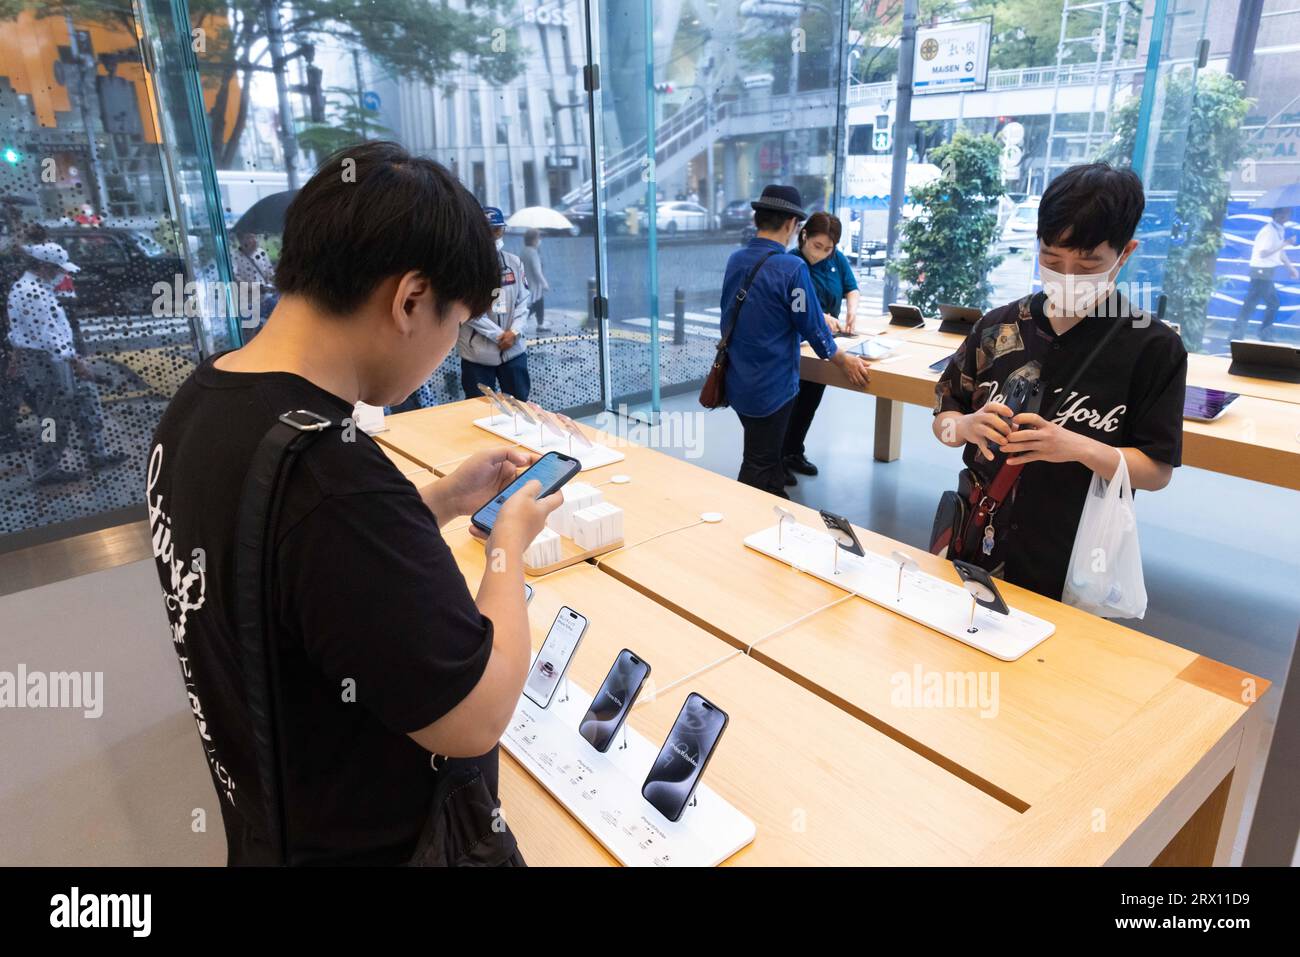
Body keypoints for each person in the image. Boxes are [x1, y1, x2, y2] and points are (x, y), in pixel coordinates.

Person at [146, 141, 563, 864]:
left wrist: (437, 500)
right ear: (408, 300)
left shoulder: (205, 399)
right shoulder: (333, 474)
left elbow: (288, 563)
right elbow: (476, 714)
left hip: (268, 819)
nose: (445, 349)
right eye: (452, 323)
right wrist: (508, 544)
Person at [932, 162, 1187, 600]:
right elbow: (945, 416)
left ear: (1125, 254)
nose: (1067, 277)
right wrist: (966, 427)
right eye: (1051, 259)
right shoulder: (998, 327)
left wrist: (1077, 448)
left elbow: (1157, 471)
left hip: (1073, 552)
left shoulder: (1152, 347)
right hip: (977, 537)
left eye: (1088, 264)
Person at [720, 185, 870, 497]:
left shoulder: (736, 260)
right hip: (772, 387)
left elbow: (728, 317)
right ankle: (743, 522)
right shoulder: (792, 268)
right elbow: (813, 326)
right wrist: (844, 360)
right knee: (758, 464)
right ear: (792, 224)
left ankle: (775, 500)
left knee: (767, 458)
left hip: (738, 379)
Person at [6, 242, 125, 483]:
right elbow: (50, 336)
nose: (63, 274)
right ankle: (45, 468)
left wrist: (16, 359)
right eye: (59, 269)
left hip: (56, 358)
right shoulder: (31, 291)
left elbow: (24, 330)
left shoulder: (35, 287)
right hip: (49, 363)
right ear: (43, 265)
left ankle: (96, 453)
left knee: (86, 398)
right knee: (52, 416)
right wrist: (77, 364)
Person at [782, 212, 859, 484]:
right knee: (791, 403)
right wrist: (821, 317)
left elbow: (851, 287)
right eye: (817, 247)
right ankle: (779, 458)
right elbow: (799, 308)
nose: (823, 254)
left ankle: (793, 452)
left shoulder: (835, 258)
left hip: (826, 343)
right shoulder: (792, 263)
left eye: (828, 249)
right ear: (803, 235)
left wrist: (851, 311)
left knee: (809, 404)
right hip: (800, 344)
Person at [457, 206, 531, 400]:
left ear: (503, 230)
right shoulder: (465, 267)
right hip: (477, 356)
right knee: (477, 409)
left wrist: (514, 332)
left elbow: (523, 301)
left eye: (496, 230)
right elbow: (467, 309)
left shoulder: (514, 263)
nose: (492, 236)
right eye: (486, 231)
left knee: (519, 405)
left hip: (513, 352)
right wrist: (499, 336)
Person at [1231, 206, 1296, 342]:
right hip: (1261, 271)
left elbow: (1279, 252)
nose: (1289, 216)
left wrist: (1291, 268)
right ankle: (1263, 334)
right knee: (1272, 303)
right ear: (1279, 214)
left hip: (1265, 271)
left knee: (1250, 304)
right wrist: (1285, 243)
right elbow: (1264, 252)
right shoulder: (1269, 231)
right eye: (1287, 213)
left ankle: (1236, 335)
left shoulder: (1278, 230)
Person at [231, 231, 279, 330]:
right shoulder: (234, 256)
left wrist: (272, 284)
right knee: (254, 331)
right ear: (241, 240)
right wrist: (256, 288)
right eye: (249, 237)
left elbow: (269, 273)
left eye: (255, 237)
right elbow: (235, 278)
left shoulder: (261, 253)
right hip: (248, 303)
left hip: (266, 298)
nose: (254, 240)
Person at [519, 228, 550, 333]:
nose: (539, 240)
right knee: (534, 305)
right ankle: (520, 323)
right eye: (538, 238)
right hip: (535, 285)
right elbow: (537, 271)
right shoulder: (533, 253)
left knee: (537, 304)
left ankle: (540, 324)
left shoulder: (523, 251)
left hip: (526, 284)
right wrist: (544, 284)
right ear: (533, 240)